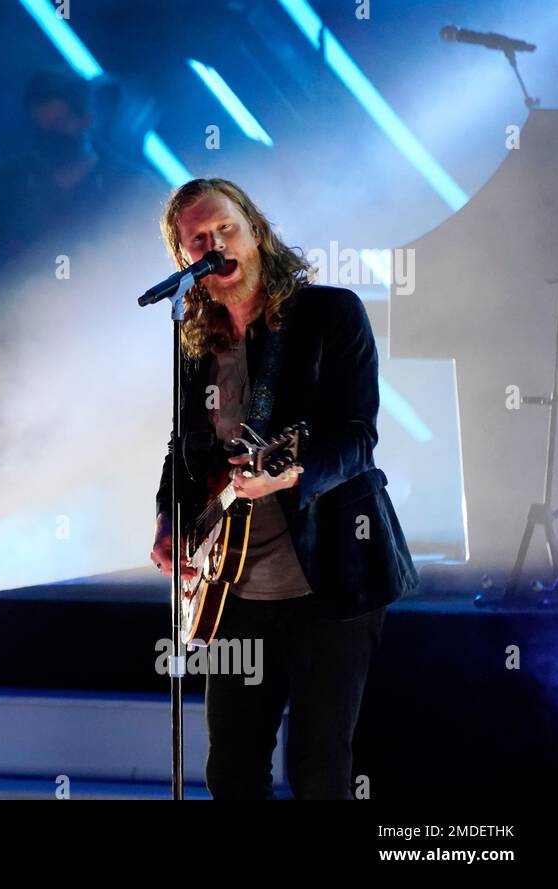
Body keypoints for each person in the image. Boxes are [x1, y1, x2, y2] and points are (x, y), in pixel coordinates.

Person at [148, 178, 418, 800]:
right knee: (231, 771)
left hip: (332, 575)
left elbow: (357, 437)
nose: (216, 244)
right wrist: (170, 520)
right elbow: (182, 446)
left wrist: (293, 472)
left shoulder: (329, 314)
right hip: (234, 585)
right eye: (198, 239)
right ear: (183, 259)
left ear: (255, 231)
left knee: (318, 770)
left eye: (226, 228)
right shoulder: (195, 340)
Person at [0, 67, 160, 286]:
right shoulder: (5, 185)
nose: (49, 136)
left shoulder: (132, 188)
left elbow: (150, 260)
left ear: (86, 120)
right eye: (40, 127)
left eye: (57, 124)